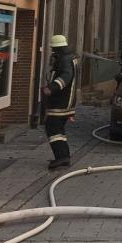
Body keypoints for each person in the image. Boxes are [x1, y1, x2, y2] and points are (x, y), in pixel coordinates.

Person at [43, 35, 80, 171]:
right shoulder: (70, 57)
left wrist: (51, 88)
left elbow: (65, 76)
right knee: (58, 130)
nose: (52, 51)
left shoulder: (64, 60)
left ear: (56, 48)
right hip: (66, 102)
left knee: (52, 128)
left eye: (53, 49)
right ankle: (63, 156)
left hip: (60, 103)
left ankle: (62, 158)